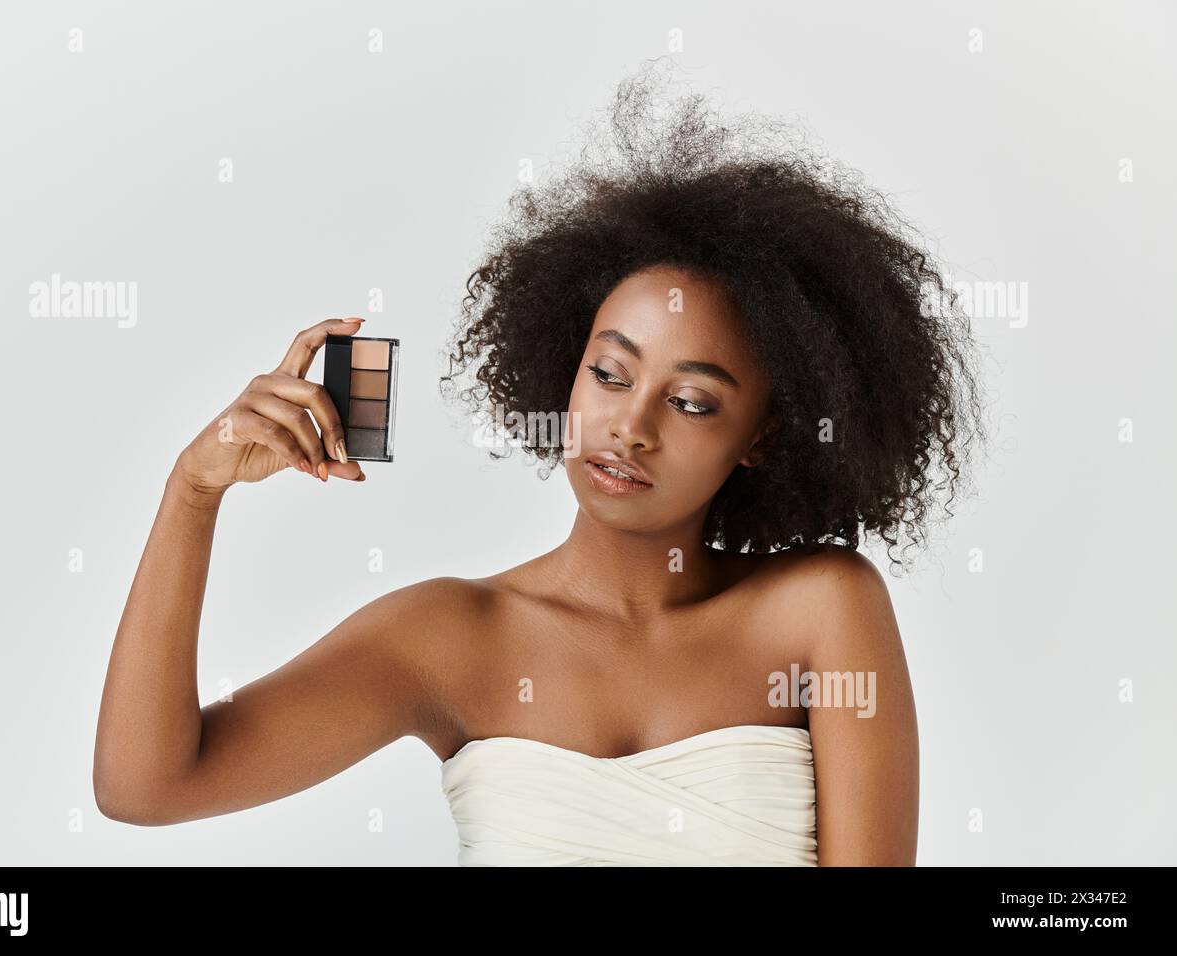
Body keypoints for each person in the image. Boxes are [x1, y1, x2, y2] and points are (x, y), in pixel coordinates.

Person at [93, 65, 986, 866]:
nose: (629, 427)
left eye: (691, 402)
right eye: (608, 372)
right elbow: (147, 787)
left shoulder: (823, 610)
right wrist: (192, 493)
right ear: (564, 363)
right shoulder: (449, 636)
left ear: (762, 433)